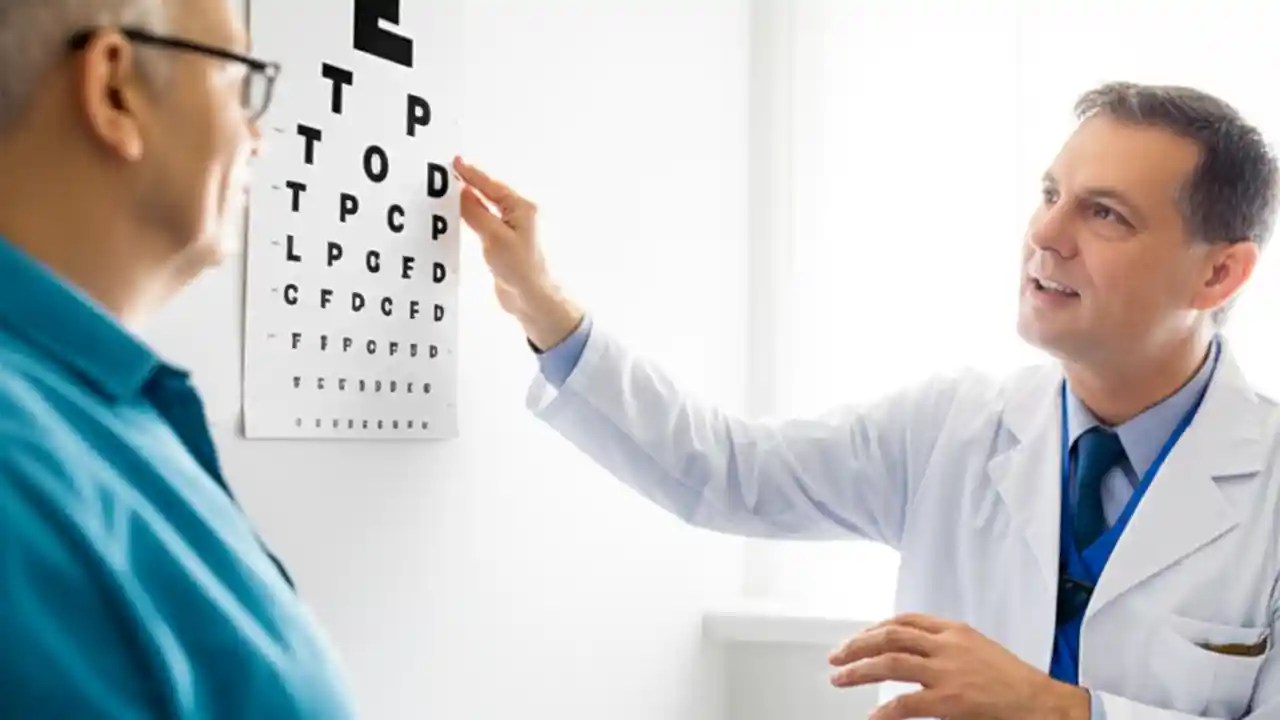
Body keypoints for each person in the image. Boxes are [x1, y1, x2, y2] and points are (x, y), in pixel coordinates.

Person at [455, 80, 1280, 719]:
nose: (1045, 234)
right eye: (1049, 192)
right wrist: (544, 309)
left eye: (1104, 214)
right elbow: (727, 474)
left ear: (1219, 273)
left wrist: (1059, 709)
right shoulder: (952, 428)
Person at [0, 1, 354, 717]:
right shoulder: (21, 473)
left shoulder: (99, 411)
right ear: (115, 89)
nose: (258, 137)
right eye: (238, 80)